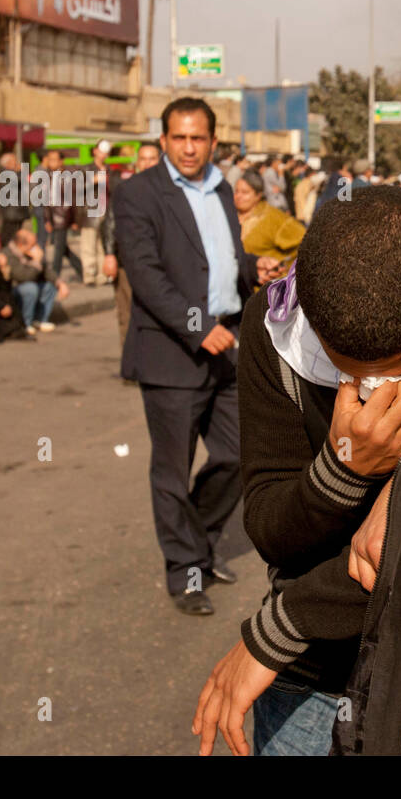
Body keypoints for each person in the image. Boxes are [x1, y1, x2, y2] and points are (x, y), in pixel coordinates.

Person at [193, 186, 401, 757]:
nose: (379, 393)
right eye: (350, 373)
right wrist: (344, 469)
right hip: (311, 679)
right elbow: (271, 529)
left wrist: (278, 628)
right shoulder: (275, 326)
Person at [113, 98, 281, 616]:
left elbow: (216, 259)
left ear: (213, 140)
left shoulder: (222, 187)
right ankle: (185, 569)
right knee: (172, 471)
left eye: (198, 138)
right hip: (173, 352)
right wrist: (196, 326)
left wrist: (254, 266)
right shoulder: (138, 193)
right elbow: (146, 274)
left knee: (235, 456)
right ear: (164, 140)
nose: (189, 148)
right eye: (179, 138)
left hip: (226, 346)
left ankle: (201, 546)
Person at [104, 141, 161, 357]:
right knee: (127, 313)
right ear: (137, 163)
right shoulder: (125, 189)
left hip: (160, 264)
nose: (147, 163)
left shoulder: (170, 190)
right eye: (143, 159)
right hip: (127, 262)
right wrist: (109, 254)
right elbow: (109, 221)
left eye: (152, 159)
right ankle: (131, 361)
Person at [234, 169, 305, 274]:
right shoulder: (229, 214)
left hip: (265, 285)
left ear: (258, 195)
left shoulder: (273, 217)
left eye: (245, 192)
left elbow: (304, 241)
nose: (238, 196)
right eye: (236, 191)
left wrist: (283, 269)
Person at [5, 228, 67, 335]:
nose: (35, 248)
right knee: (30, 288)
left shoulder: (30, 253)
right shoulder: (9, 254)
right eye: (32, 245)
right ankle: (26, 323)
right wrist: (37, 261)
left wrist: (60, 283)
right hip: (14, 291)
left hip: (28, 285)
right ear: (21, 245)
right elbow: (23, 277)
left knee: (49, 286)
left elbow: (47, 271)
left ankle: (40, 319)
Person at [40, 150, 83, 281]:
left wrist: (75, 219)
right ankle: (82, 270)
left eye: (54, 159)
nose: (50, 162)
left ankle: (55, 276)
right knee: (62, 247)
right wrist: (47, 219)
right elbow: (46, 201)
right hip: (53, 216)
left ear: (61, 161)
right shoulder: (47, 176)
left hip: (63, 215)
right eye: (49, 159)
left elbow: (74, 200)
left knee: (58, 248)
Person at [77, 140, 113, 286]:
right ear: (95, 151)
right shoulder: (86, 169)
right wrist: (94, 181)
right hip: (91, 211)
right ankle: (89, 275)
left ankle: (102, 275)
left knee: (102, 244)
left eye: (107, 151)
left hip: (107, 210)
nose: (104, 154)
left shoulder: (109, 169)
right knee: (88, 244)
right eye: (102, 150)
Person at [0, 151, 29, 245]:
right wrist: (20, 171)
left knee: (12, 236)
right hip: (12, 212)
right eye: (15, 161)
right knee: (10, 237)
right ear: (8, 163)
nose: (17, 163)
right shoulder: (5, 173)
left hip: (13, 212)